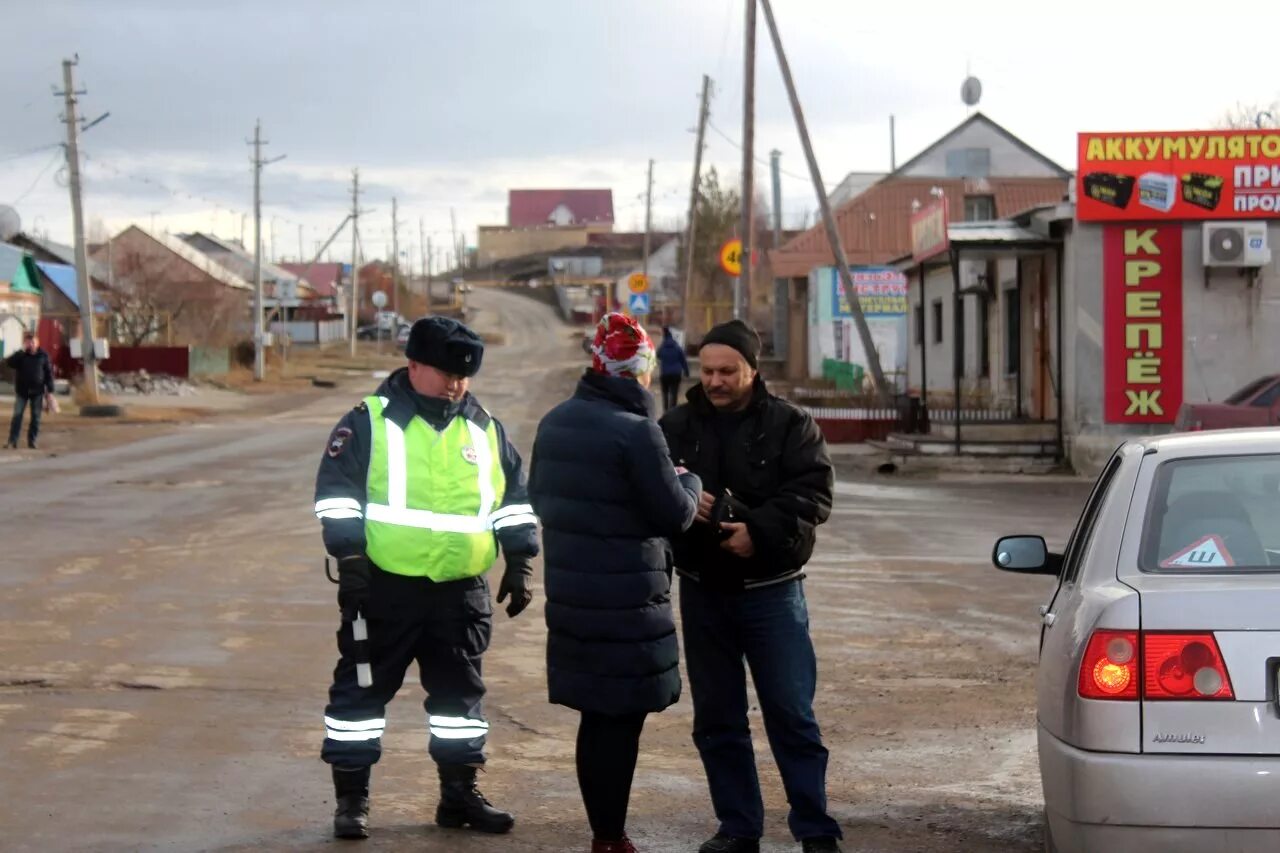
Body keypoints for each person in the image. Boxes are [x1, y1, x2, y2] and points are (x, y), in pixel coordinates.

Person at [312, 316, 540, 840]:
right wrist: (349, 562)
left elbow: (513, 500)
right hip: (384, 588)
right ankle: (352, 801)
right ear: (413, 365)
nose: (456, 384)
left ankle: (458, 795)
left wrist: (521, 560)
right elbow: (337, 495)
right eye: (445, 373)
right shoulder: (369, 421)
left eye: (464, 375)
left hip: (460, 592)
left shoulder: (484, 427)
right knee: (360, 698)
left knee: (459, 703)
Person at [659, 320, 842, 853]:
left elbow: (814, 495)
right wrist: (689, 506)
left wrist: (755, 531)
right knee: (717, 719)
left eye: (727, 371)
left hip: (772, 592)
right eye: (708, 371)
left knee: (791, 714)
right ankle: (738, 828)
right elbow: (652, 492)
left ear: (752, 370)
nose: (715, 381)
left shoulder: (791, 425)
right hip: (702, 591)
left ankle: (815, 829)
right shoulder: (675, 426)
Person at [528, 313, 701, 853]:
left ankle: (605, 832)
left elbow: (541, 499)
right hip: (626, 601)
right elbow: (676, 516)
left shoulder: (555, 421)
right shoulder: (637, 431)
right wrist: (688, 480)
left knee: (596, 716)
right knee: (621, 721)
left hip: (576, 596)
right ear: (641, 371)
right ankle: (610, 837)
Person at [5, 331, 54, 450]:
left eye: (33, 342)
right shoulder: (21, 356)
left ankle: (32, 441)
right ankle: (12, 441)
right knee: (17, 416)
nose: (30, 344)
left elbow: (48, 373)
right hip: (22, 391)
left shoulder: (43, 356)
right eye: (28, 342)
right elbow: (9, 362)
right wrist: (21, 351)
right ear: (25, 343)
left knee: (36, 417)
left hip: (37, 392)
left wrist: (50, 391)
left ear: (37, 343)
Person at [656, 326, 690, 414]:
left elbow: (658, 355)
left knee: (665, 393)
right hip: (676, 374)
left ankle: (666, 410)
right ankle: (673, 411)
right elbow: (683, 360)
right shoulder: (677, 347)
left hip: (665, 374)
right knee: (674, 393)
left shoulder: (662, 347)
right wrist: (686, 371)